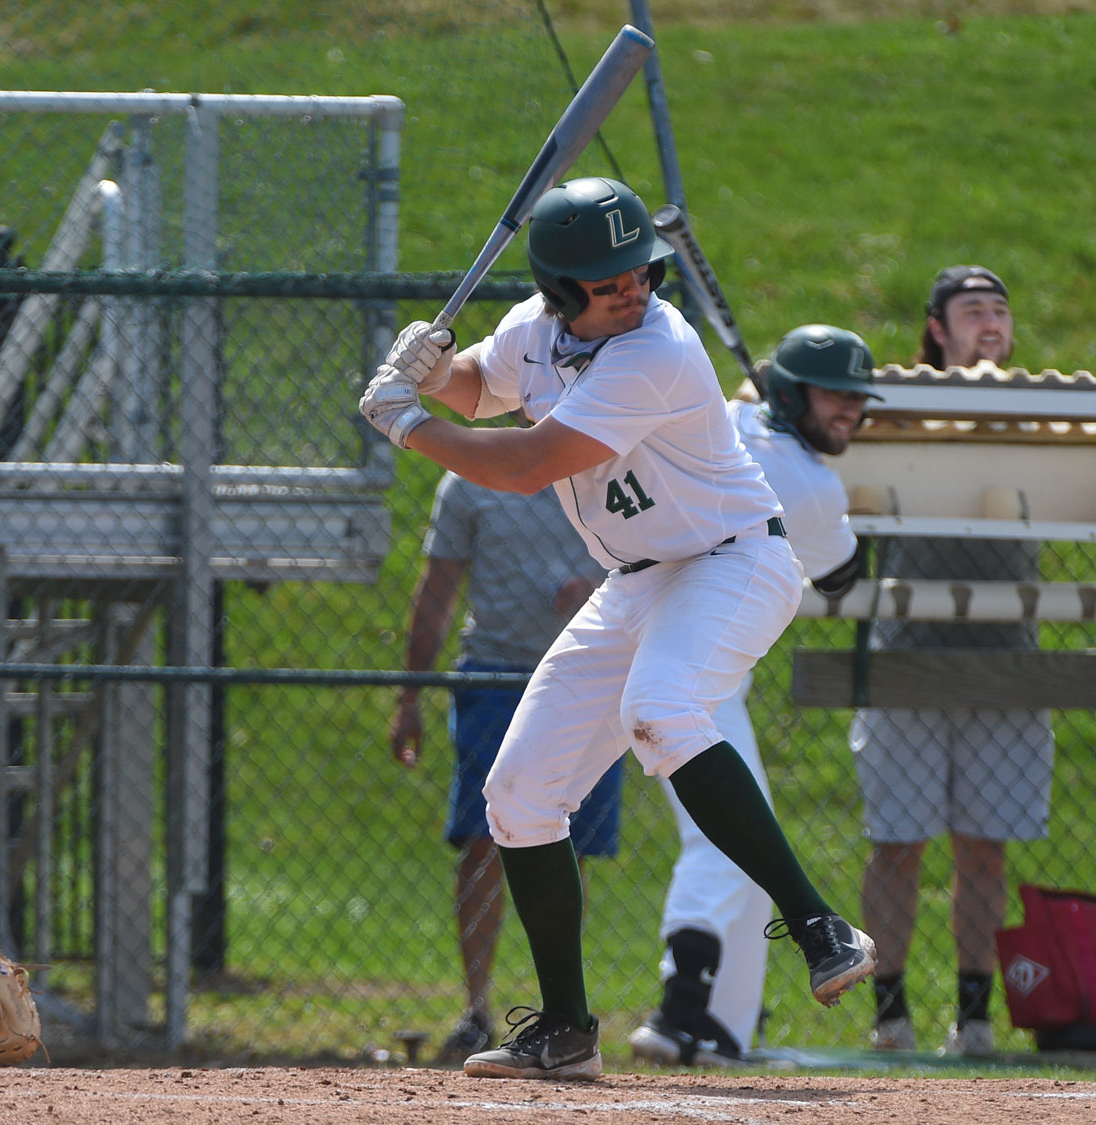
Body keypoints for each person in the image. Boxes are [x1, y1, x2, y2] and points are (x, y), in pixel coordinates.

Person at [358, 176, 875, 1081]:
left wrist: (408, 422)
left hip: (732, 560)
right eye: (607, 282)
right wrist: (441, 375)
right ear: (562, 295)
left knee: (661, 707)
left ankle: (820, 922)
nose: (631, 289)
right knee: (516, 793)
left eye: (638, 271)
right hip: (637, 580)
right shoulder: (536, 327)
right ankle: (563, 1029)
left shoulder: (658, 350)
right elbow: (487, 391)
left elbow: (526, 462)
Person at [628, 324, 877, 1068]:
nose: (851, 411)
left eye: (858, 398)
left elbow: (741, 417)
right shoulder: (810, 482)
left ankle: (723, 1033)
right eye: (835, 395)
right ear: (791, 393)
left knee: (746, 846)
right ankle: (679, 1007)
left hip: (666, 654)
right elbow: (839, 577)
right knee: (723, 841)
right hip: (680, 677)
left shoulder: (729, 420)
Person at [853, 265, 1055, 1057]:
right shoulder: (898, 410)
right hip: (908, 655)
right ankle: (890, 1014)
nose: (992, 323)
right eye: (973, 311)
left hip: (1005, 658)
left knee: (983, 846)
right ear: (938, 329)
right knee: (897, 842)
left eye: (1001, 310)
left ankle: (974, 1021)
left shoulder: (1042, 414)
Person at [388, 469, 625, 1063]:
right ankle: (476, 1010)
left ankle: (565, 1010)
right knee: (484, 840)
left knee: (570, 846)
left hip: (587, 678)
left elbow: (650, 566)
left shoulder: (608, 464)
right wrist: (410, 697)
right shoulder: (470, 479)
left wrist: (594, 598)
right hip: (496, 677)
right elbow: (437, 591)